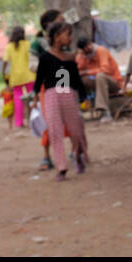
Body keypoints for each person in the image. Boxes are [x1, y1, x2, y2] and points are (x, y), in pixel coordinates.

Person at [35, 20, 89, 181]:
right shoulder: (45, 57)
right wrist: (34, 98)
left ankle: (78, 154)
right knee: (55, 131)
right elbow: (39, 79)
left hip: (68, 94)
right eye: (68, 34)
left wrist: (83, 97)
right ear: (57, 37)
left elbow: (76, 80)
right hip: (51, 95)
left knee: (76, 131)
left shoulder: (70, 58)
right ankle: (61, 167)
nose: (71, 38)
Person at [76, 36, 123, 122]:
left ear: (90, 44)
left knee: (100, 75)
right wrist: (81, 56)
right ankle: (80, 107)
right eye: (83, 49)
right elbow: (78, 69)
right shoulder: (84, 55)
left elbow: (104, 70)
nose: (86, 49)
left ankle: (105, 111)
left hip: (113, 82)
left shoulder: (100, 50)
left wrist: (87, 72)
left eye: (87, 46)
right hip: (98, 81)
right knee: (79, 78)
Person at [3, 26, 36, 129]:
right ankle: (32, 120)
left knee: (18, 100)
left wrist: (4, 74)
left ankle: (19, 123)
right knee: (31, 98)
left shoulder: (9, 47)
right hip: (29, 75)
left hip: (16, 77)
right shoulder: (27, 44)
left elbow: (5, 63)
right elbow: (33, 59)